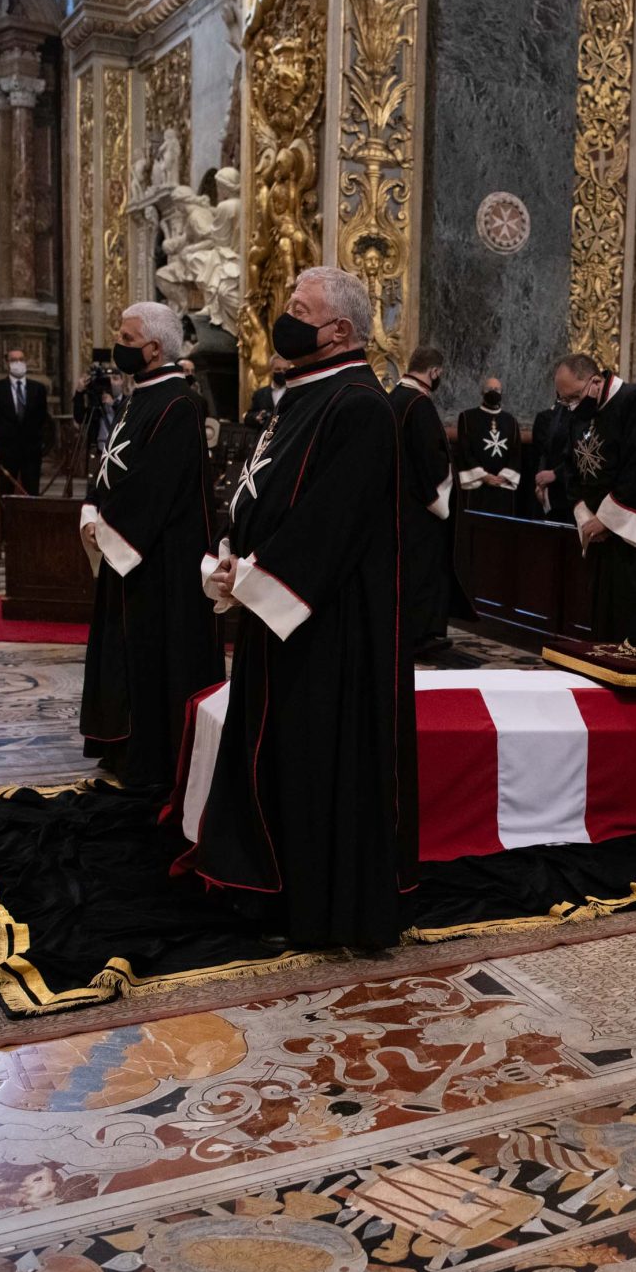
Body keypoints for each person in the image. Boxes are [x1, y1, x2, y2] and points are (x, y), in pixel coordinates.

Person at [195, 265, 411, 945]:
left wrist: (257, 574)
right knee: (270, 749)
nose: (285, 316)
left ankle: (314, 901)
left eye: (299, 307)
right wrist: (232, 548)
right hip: (276, 612)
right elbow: (260, 492)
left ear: (340, 329)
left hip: (329, 629)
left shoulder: (360, 406)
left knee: (314, 761)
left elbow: (329, 526)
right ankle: (262, 880)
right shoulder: (300, 395)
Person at [78, 301, 224, 789]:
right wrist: (93, 506)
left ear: (155, 348)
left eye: (126, 335)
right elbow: (112, 464)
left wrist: (110, 525)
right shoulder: (138, 395)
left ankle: (150, 755)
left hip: (161, 556)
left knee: (154, 653)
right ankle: (117, 744)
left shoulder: (179, 403)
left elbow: (154, 485)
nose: (118, 342)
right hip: (130, 544)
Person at [554, 352, 636, 646]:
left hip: (632, 536)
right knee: (601, 620)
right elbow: (571, 467)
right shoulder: (579, 413)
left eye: (573, 397)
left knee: (631, 618)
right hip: (597, 534)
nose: (570, 406)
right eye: (563, 400)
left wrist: (606, 520)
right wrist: (585, 518)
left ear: (595, 381)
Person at [391, 345, 460, 656]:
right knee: (423, 568)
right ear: (434, 372)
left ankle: (403, 630)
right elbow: (431, 458)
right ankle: (422, 634)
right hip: (420, 506)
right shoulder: (419, 404)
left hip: (396, 502)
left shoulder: (393, 398)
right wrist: (440, 498)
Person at [0, 347, 51, 497]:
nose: (18, 363)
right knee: (5, 491)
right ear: (7, 363)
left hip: (31, 449)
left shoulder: (38, 389)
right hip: (6, 448)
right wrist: (5, 432)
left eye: (21, 359)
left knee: (31, 490)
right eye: (14, 360)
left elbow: (42, 417)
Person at [454, 375, 521, 516]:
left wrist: (503, 476)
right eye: (489, 389)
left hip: (503, 488)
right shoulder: (467, 418)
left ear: (502, 392)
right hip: (476, 488)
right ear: (482, 392)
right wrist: (484, 476)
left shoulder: (511, 421)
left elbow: (516, 454)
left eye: (497, 389)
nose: (493, 391)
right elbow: (464, 451)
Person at [529, 395, 575, 522]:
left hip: (571, 492)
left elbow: (578, 454)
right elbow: (546, 450)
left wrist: (556, 473)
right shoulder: (557, 411)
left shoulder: (583, 413)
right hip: (552, 493)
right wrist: (540, 483)